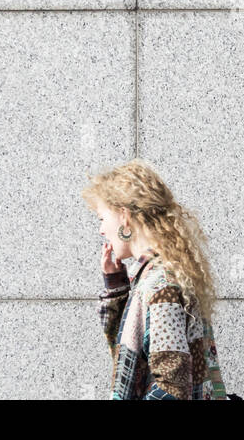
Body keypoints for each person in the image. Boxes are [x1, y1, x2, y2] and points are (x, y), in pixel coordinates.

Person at [82, 159, 228, 400]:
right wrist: (116, 286)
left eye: (101, 218)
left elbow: (171, 387)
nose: (101, 230)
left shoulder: (162, 285)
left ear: (124, 217)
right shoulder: (158, 276)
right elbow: (132, 362)